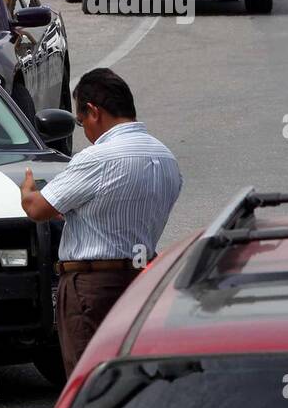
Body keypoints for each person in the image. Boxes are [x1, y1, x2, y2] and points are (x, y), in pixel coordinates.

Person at [19, 68, 182, 376]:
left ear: (93, 111)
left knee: (89, 383)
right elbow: (113, 207)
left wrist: (27, 188)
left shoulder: (98, 157)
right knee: (134, 379)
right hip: (143, 282)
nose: (86, 133)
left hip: (92, 289)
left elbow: (37, 209)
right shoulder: (165, 158)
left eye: (82, 123)